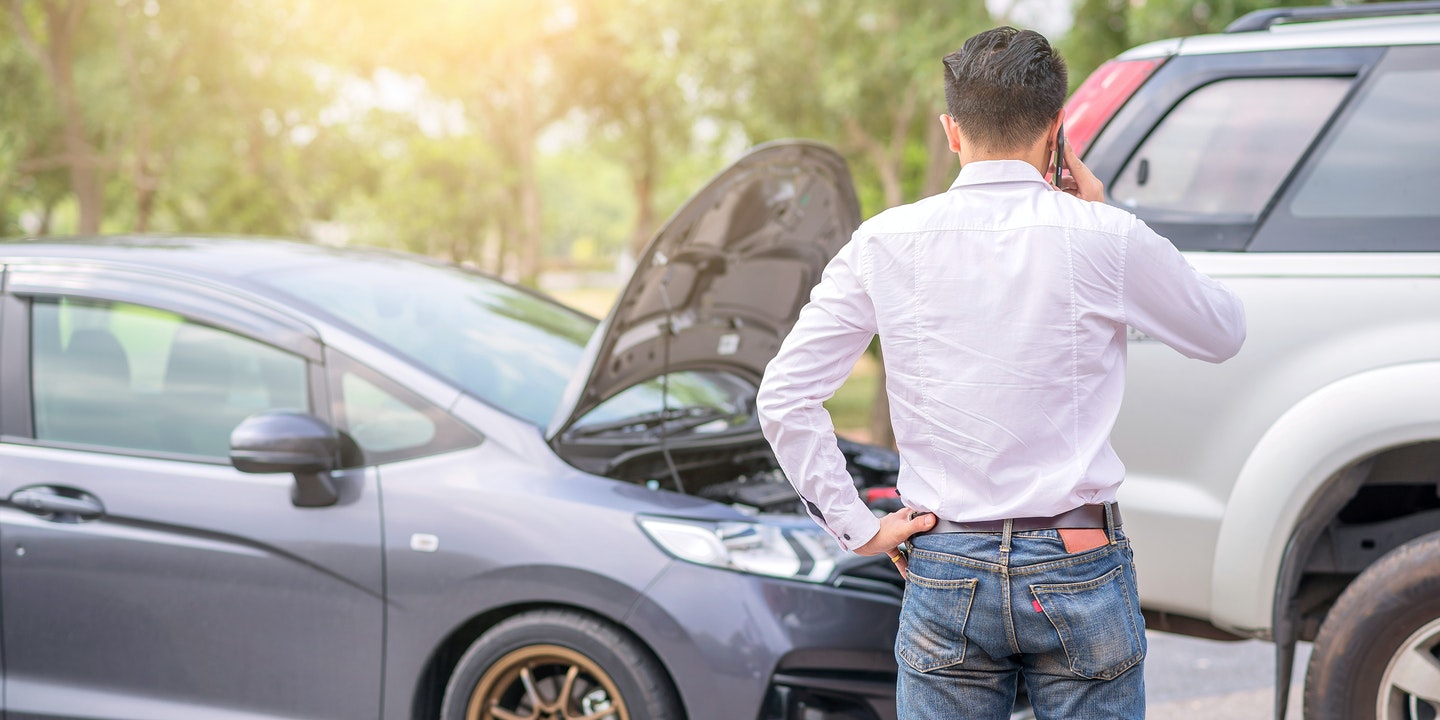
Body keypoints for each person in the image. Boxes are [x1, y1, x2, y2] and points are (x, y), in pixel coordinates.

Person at [755, 26, 1246, 720]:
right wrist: (1101, 211)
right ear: (1057, 133)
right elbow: (1222, 331)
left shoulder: (884, 242)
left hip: (947, 561)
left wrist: (857, 526)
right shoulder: (1104, 237)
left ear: (951, 132)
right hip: (1079, 559)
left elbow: (783, 397)